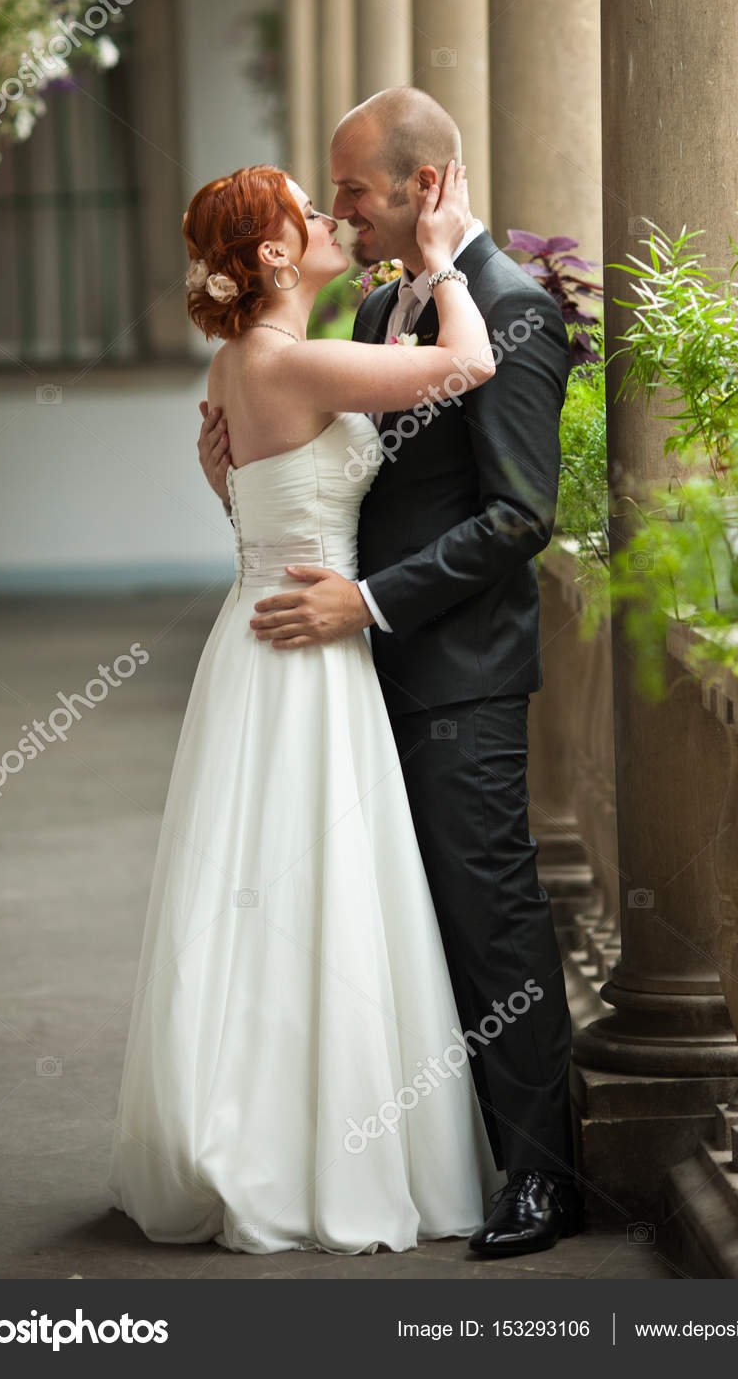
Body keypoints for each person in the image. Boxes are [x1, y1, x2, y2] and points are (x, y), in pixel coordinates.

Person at [198, 88, 580, 1258]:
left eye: (352, 190)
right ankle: (427, 1148)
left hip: (453, 671)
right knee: (390, 927)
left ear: (421, 186)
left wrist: (363, 600)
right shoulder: (371, 310)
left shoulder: (510, 309)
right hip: (352, 677)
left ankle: (543, 1176)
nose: (342, 211)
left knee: (489, 915)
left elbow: (520, 515)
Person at [109, 158, 506, 1255]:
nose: (333, 216)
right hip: (304, 647)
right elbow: (471, 361)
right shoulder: (292, 360)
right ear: (279, 254)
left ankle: (255, 1119)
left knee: (259, 887)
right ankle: (306, 1146)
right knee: (311, 884)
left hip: (264, 632)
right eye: (309, 208)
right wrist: (444, 260)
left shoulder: (246, 362)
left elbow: (251, 485)